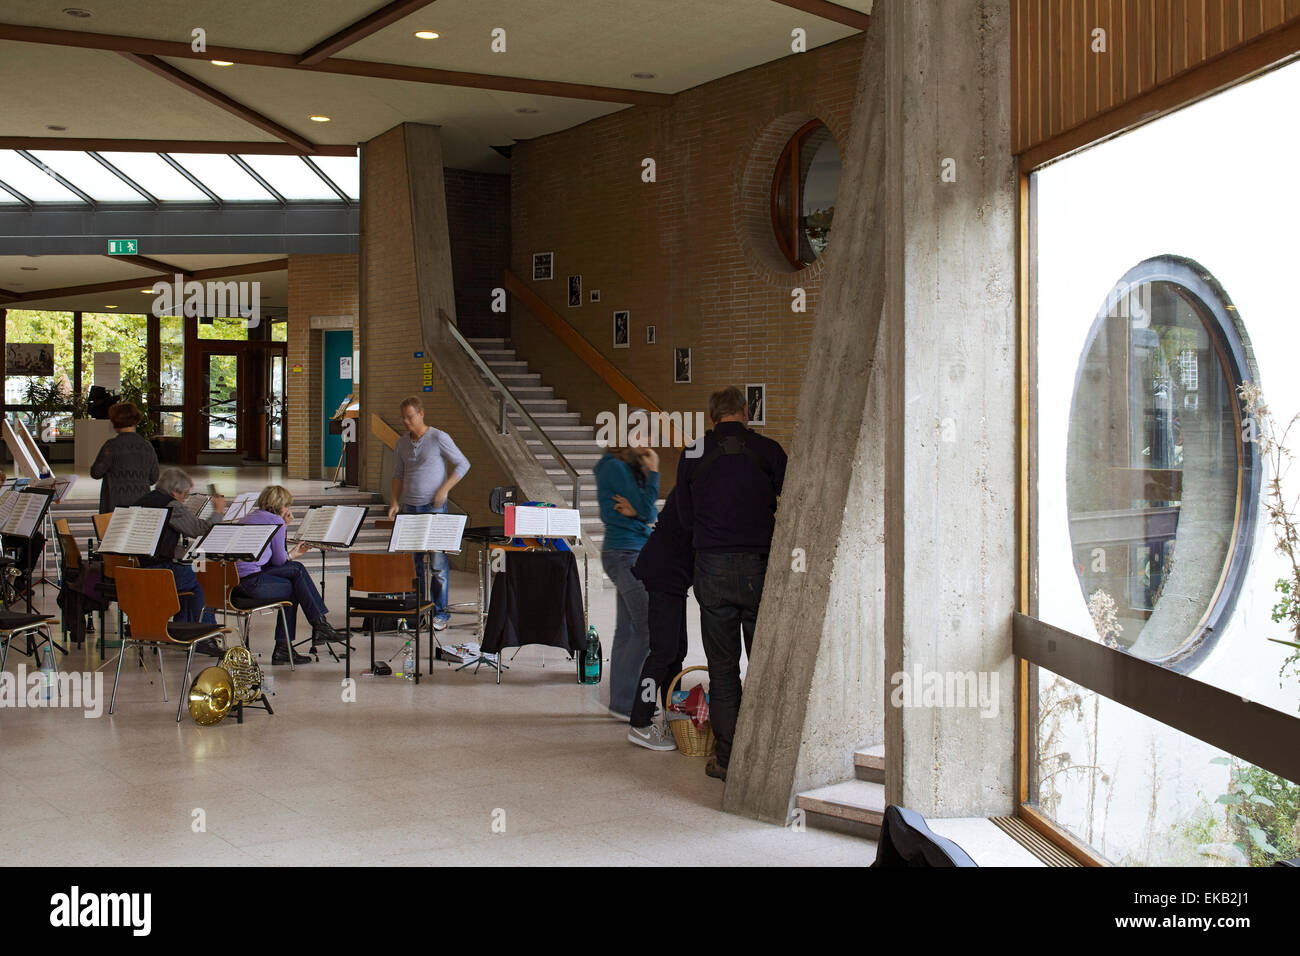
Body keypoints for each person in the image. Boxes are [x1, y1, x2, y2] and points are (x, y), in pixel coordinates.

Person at [676, 386, 788, 781]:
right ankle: (769, 760)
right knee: (765, 668)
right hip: (760, 568)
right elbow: (791, 507)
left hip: (712, 566)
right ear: (745, 412)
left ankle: (727, 760)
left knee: (723, 672)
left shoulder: (691, 452)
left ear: (711, 417)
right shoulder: (771, 451)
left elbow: (684, 515)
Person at [232, 485, 349, 665]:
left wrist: (290, 551)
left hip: (237, 582)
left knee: (295, 576)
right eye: (287, 505)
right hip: (253, 583)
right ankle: (317, 627)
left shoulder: (247, 518)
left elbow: (270, 561)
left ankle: (290, 644)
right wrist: (284, 528)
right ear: (280, 505)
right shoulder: (275, 521)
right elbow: (279, 561)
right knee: (296, 571)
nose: (288, 510)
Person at [385, 397, 470, 629]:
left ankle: (440, 612)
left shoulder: (438, 437)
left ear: (421, 414)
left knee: (438, 564)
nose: (406, 422)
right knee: (414, 564)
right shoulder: (402, 443)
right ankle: (418, 610)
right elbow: (397, 474)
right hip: (410, 509)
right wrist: (394, 502)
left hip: (434, 508)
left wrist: (444, 489)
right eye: (403, 417)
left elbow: (463, 464)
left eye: (410, 417)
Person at [595, 422, 659, 720]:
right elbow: (647, 512)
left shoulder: (624, 468)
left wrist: (640, 511)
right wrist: (655, 472)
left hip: (630, 551)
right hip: (625, 553)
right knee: (646, 628)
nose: (648, 442)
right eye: (643, 435)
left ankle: (621, 702)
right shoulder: (615, 469)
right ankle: (625, 702)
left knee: (628, 629)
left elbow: (647, 512)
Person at [626, 485, 693, 751]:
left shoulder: (697, 484)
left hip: (673, 575)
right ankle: (640, 724)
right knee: (663, 652)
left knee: (677, 650)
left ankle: (672, 714)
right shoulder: (699, 488)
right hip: (665, 573)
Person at [133, 469, 225, 648]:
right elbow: (200, 529)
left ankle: (182, 629)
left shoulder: (143, 500)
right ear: (175, 491)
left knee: (187, 573)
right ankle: (205, 636)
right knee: (200, 577)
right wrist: (218, 511)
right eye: (185, 495)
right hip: (157, 572)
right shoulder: (171, 505)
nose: (184, 499)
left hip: (135, 568)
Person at [90, 402, 160, 514]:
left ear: (114, 421)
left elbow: (96, 473)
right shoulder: (147, 446)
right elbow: (154, 477)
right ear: (136, 419)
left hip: (115, 504)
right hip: (142, 503)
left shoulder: (111, 446)